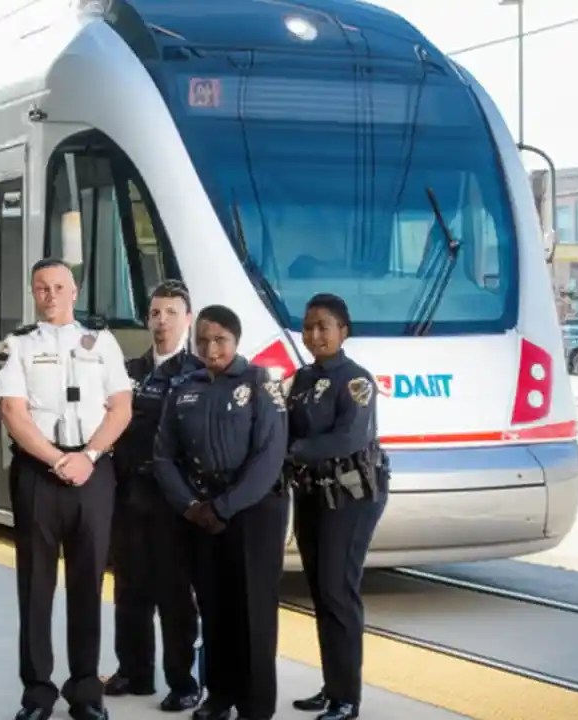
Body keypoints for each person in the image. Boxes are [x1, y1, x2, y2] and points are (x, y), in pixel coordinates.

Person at [0, 258, 133, 720]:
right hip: (39, 473)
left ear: (74, 291)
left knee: (87, 583)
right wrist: (56, 459)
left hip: (93, 471)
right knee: (35, 586)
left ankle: (86, 691)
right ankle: (37, 694)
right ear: (33, 294)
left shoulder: (103, 342)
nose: (50, 295)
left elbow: (121, 408)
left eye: (58, 286)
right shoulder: (16, 344)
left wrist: (87, 457)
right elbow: (13, 412)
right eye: (41, 288)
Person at [153, 305, 290, 720]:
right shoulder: (184, 388)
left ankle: (254, 705)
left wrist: (225, 506)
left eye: (221, 340)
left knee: (253, 611)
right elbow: (164, 456)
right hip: (201, 514)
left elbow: (269, 457)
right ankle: (220, 695)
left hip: (253, 513)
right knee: (213, 608)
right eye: (204, 341)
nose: (212, 348)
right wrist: (191, 506)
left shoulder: (261, 384)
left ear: (236, 341)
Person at [285, 294, 388, 720]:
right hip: (312, 494)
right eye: (308, 326)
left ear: (343, 330)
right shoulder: (303, 378)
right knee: (321, 593)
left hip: (350, 498)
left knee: (338, 592)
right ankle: (331, 688)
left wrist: (292, 451)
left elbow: (349, 438)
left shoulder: (356, 380)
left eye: (324, 326)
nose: (314, 334)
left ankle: (348, 697)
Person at [103, 280, 203, 712]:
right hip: (129, 496)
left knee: (175, 593)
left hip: (173, 500)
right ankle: (135, 671)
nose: (162, 321)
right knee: (129, 587)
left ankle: (182, 681)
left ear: (188, 319)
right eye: (155, 313)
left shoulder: (199, 374)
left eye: (171, 313)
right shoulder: (128, 371)